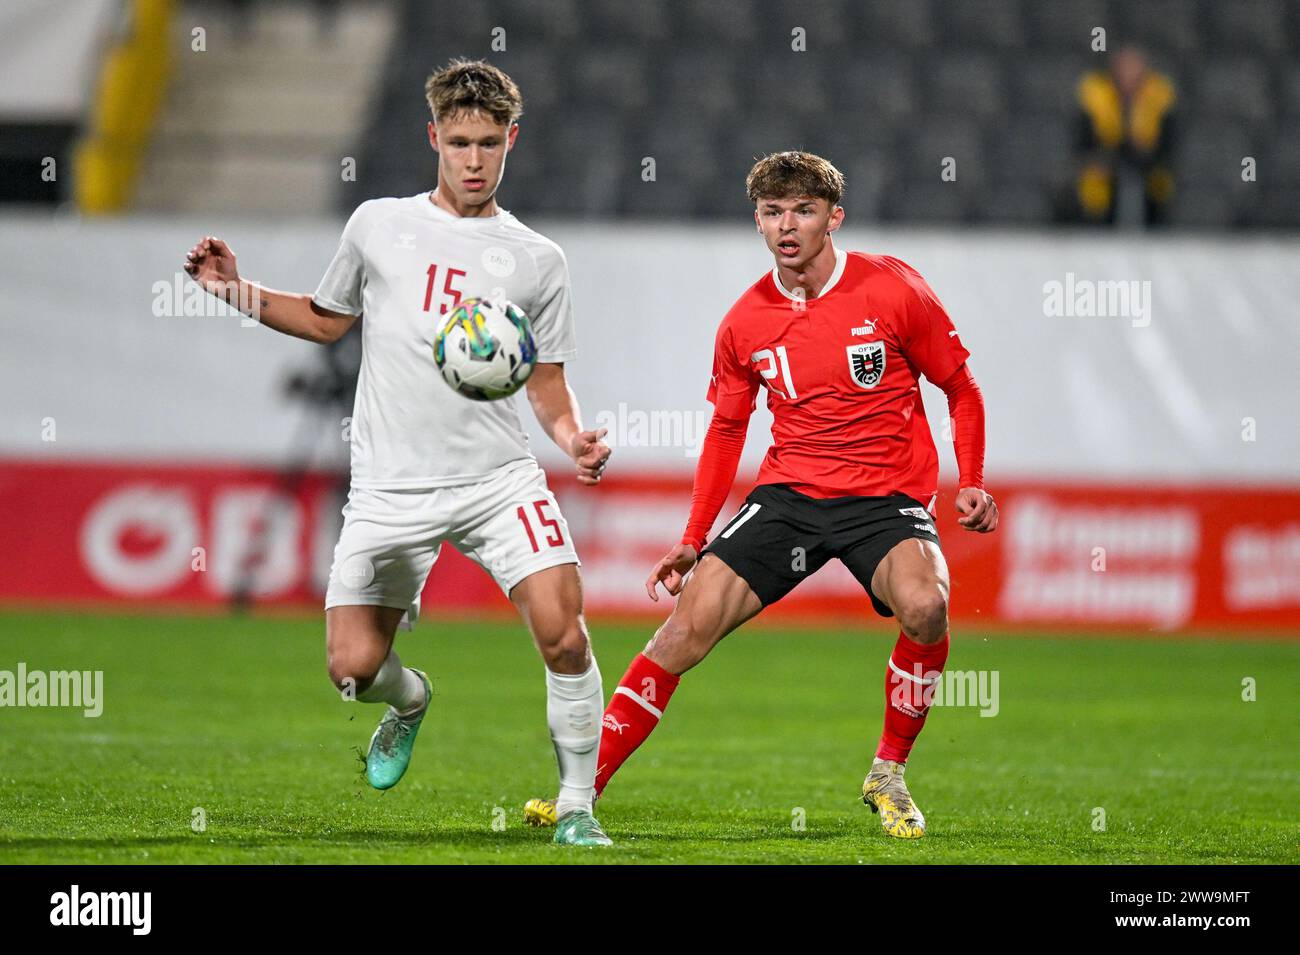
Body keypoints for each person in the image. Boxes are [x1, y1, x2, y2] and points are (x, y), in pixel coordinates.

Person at [183, 59, 614, 846]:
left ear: (512, 139)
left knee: (565, 630)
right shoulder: (377, 224)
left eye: (489, 143)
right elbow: (323, 318)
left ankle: (579, 805)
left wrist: (571, 438)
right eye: (459, 143)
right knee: (352, 667)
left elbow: (547, 381)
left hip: (498, 480)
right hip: (390, 487)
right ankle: (410, 699)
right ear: (434, 138)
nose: (475, 159)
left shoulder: (537, 259)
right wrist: (235, 289)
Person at [525, 151, 997, 839]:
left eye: (803, 210)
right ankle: (580, 790)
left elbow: (962, 387)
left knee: (927, 605)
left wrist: (974, 480)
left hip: (884, 498)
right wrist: (693, 535)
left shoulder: (893, 290)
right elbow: (725, 429)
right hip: (789, 496)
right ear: (757, 219)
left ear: (834, 217)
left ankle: (889, 772)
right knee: (684, 627)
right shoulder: (745, 322)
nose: (787, 225)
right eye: (773, 212)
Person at [1074, 47, 1177, 226]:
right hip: (1102, 185)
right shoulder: (1096, 97)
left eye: (1134, 68)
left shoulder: (1159, 97)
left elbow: (1169, 148)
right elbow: (1084, 145)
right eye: (1124, 67)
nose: (1129, 74)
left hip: (1151, 183)